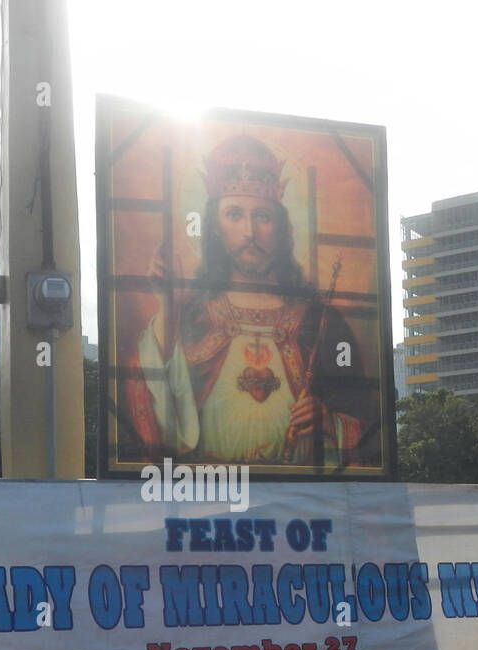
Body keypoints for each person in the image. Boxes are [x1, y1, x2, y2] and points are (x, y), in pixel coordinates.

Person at [127, 133, 376, 467]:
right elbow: (151, 400)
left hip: (301, 503)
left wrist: (329, 422)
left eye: (262, 216)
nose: (250, 232)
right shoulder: (191, 314)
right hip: (204, 500)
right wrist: (169, 308)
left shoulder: (321, 323)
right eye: (234, 215)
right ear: (215, 226)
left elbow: (368, 426)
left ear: (281, 226)